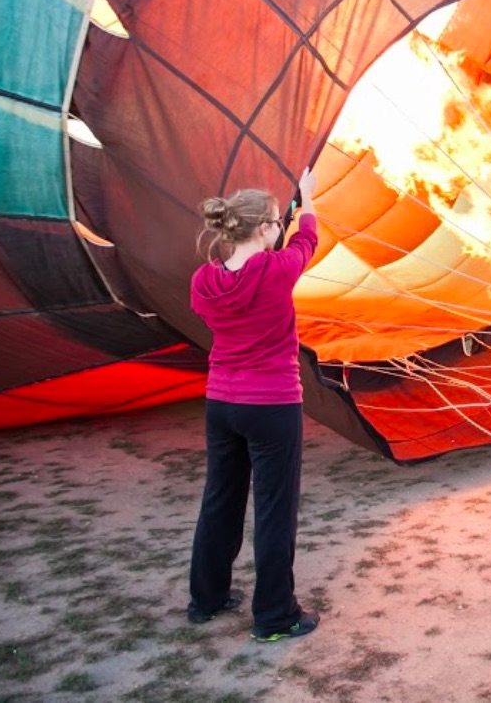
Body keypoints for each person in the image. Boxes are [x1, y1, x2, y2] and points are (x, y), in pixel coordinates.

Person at [187, 166, 321, 642]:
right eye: (274, 224)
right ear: (265, 228)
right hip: (272, 405)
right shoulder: (275, 270)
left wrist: (285, 219)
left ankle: (207, 598)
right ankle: (275, 616)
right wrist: (307, 201)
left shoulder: (203, 282)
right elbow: (308, 241)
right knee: (273, 510)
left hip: (221, 402)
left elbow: (257, 267)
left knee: (220, 499)